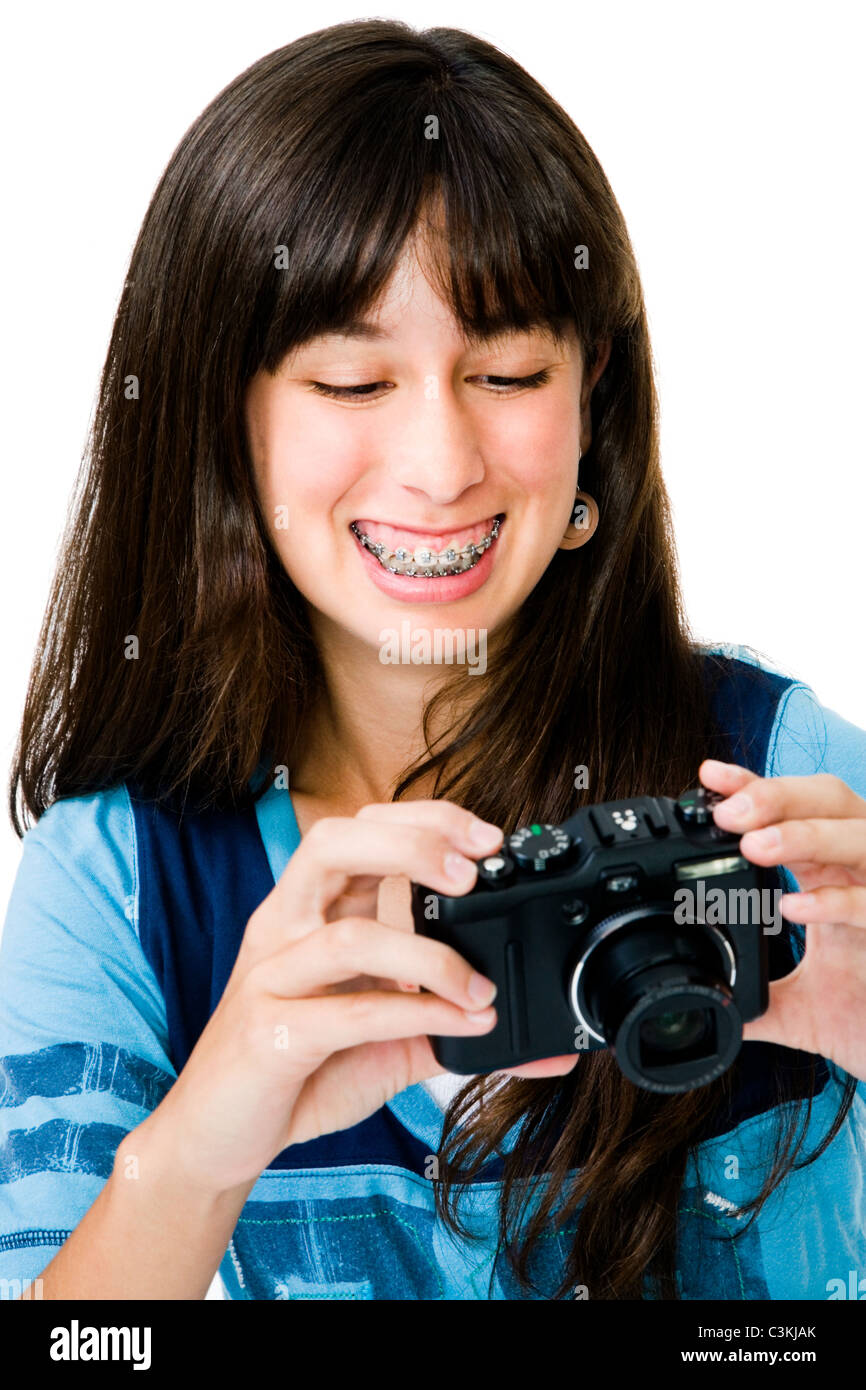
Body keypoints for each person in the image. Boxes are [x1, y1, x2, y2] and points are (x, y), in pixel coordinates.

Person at [1, 19, 864, 1303]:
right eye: (352, 381)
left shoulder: (779, 790)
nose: (442, 465)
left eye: (509, 370)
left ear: (592, 405)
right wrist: (197, 1149)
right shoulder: (121, 883)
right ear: (219, 421)